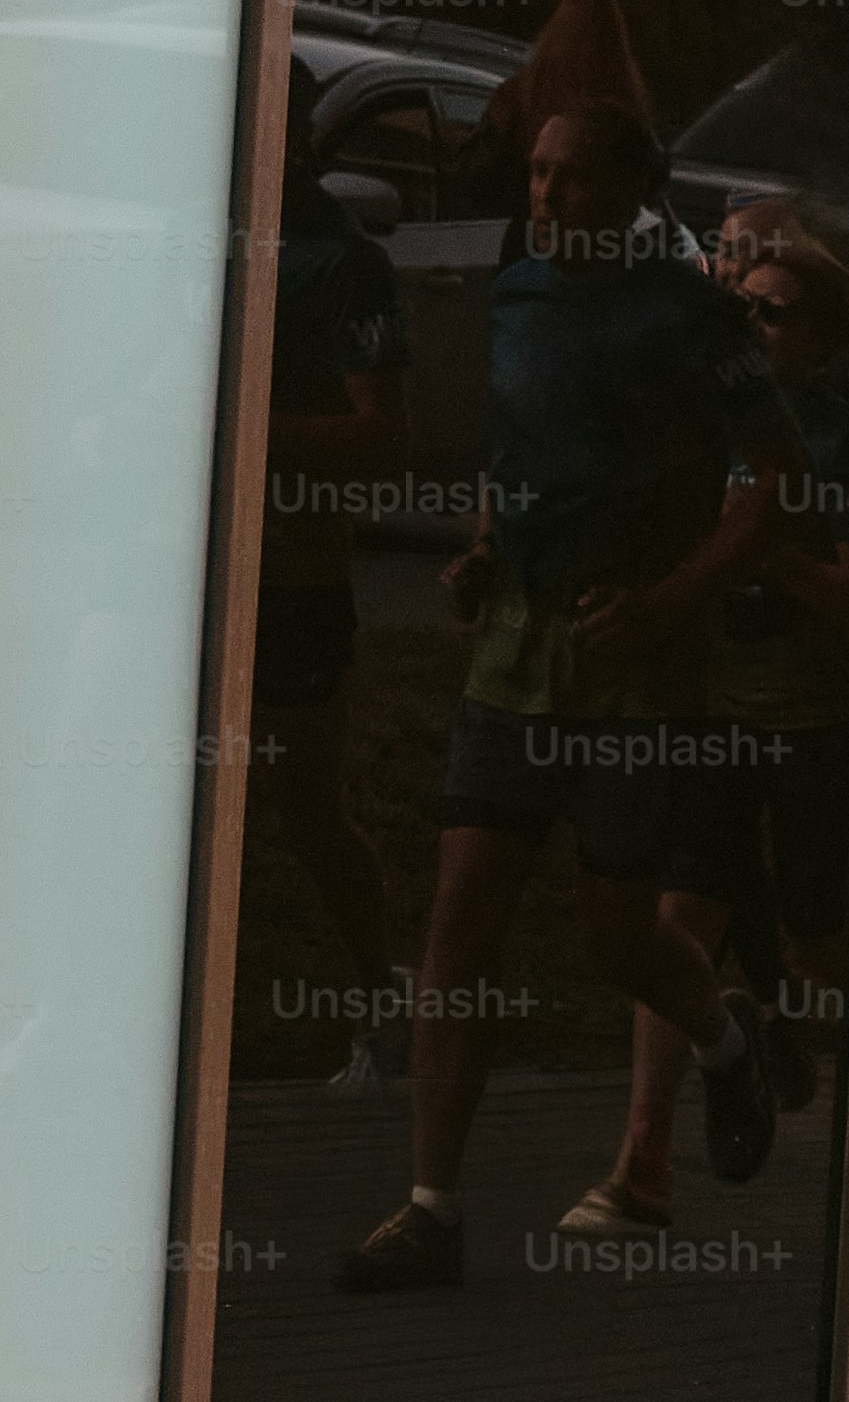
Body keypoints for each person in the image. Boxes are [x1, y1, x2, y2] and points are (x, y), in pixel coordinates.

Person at [337, 101, 805, 1291]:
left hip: (635, 671)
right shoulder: (517, 295)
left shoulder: (698, 314)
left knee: (614, 937)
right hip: (513, 656)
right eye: (535, 177)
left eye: (568, 178)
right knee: (459, 923)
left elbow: (775, 481)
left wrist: (672, 600)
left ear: (628, 188)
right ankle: (431, 1210)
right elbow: (516, 448)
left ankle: (723, 1035)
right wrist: (489, 545)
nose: (542, 199)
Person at [589, 203, 849, 1231]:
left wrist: (762, 553)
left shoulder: (845, 443)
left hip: (808, 715)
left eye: (774, 313)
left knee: (822, 944)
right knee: (678, 917)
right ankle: (641, 1166)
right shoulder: (705, 423)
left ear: (820, 336)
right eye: (742, 306)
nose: (750, 324)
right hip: (710, 709)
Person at [249, 82, 418, 1092]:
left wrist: (239, 432)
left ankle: (381, 1002)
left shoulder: (348, 264)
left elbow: (384, 436)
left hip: (291, 572)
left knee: (303, 806)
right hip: (162, 563)